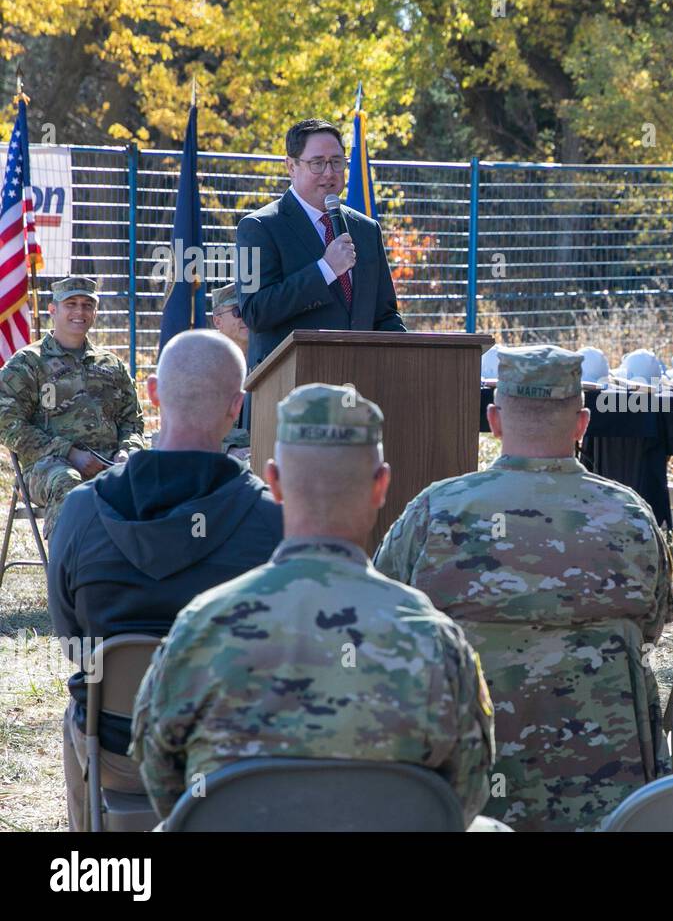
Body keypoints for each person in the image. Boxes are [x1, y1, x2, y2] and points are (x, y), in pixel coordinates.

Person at [131, 383, 493, 827]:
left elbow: (165, 787)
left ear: (275, 482)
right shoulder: (436, 641)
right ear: (381, 485)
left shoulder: (200, 627)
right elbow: (462, 799)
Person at [374, 345, 673, 832]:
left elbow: (386, 624)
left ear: (493, 419)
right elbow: (652, 627)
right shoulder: (632, 517)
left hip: (464, 803)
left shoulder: (436, 511)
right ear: (581, 424)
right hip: (607, 803)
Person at [48, 329, 282, 831]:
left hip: (117, 752)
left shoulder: (82, 511)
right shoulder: (269, 521)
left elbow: (72, 643)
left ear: (153, 392)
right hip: (232, 756)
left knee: (77, 710)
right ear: (237, 407)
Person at [236, 119, 405, 370]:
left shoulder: (366, 229)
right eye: (317, 163)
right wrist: (325, 269)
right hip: (290, 385)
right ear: (291, 166)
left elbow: (385, 315)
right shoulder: (258, 227)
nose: (329, 173)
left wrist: (408, 358)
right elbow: (255, 312)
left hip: (360, 383)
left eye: (337, 162)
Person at [0, 276, 146, 537]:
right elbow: (6, 422)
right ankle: (68, 571)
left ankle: (135, 570)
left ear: (95, 312)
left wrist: (126, 452)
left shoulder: (111, 365)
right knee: (68, 481)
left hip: (109, 463)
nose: (80, 311)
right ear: (53, 310)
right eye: (71, 304)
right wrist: (69, 453)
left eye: (87, 305)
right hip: (46, 467)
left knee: (151, 480)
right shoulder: (28, 363)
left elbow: (132, 422)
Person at [210, 283, 250, 458]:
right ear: (218, 321)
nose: (246, 316)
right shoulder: (204, 365)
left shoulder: (270, 357)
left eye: (250, 307)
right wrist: (229, 449)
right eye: (238, 311)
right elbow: (193, 424)